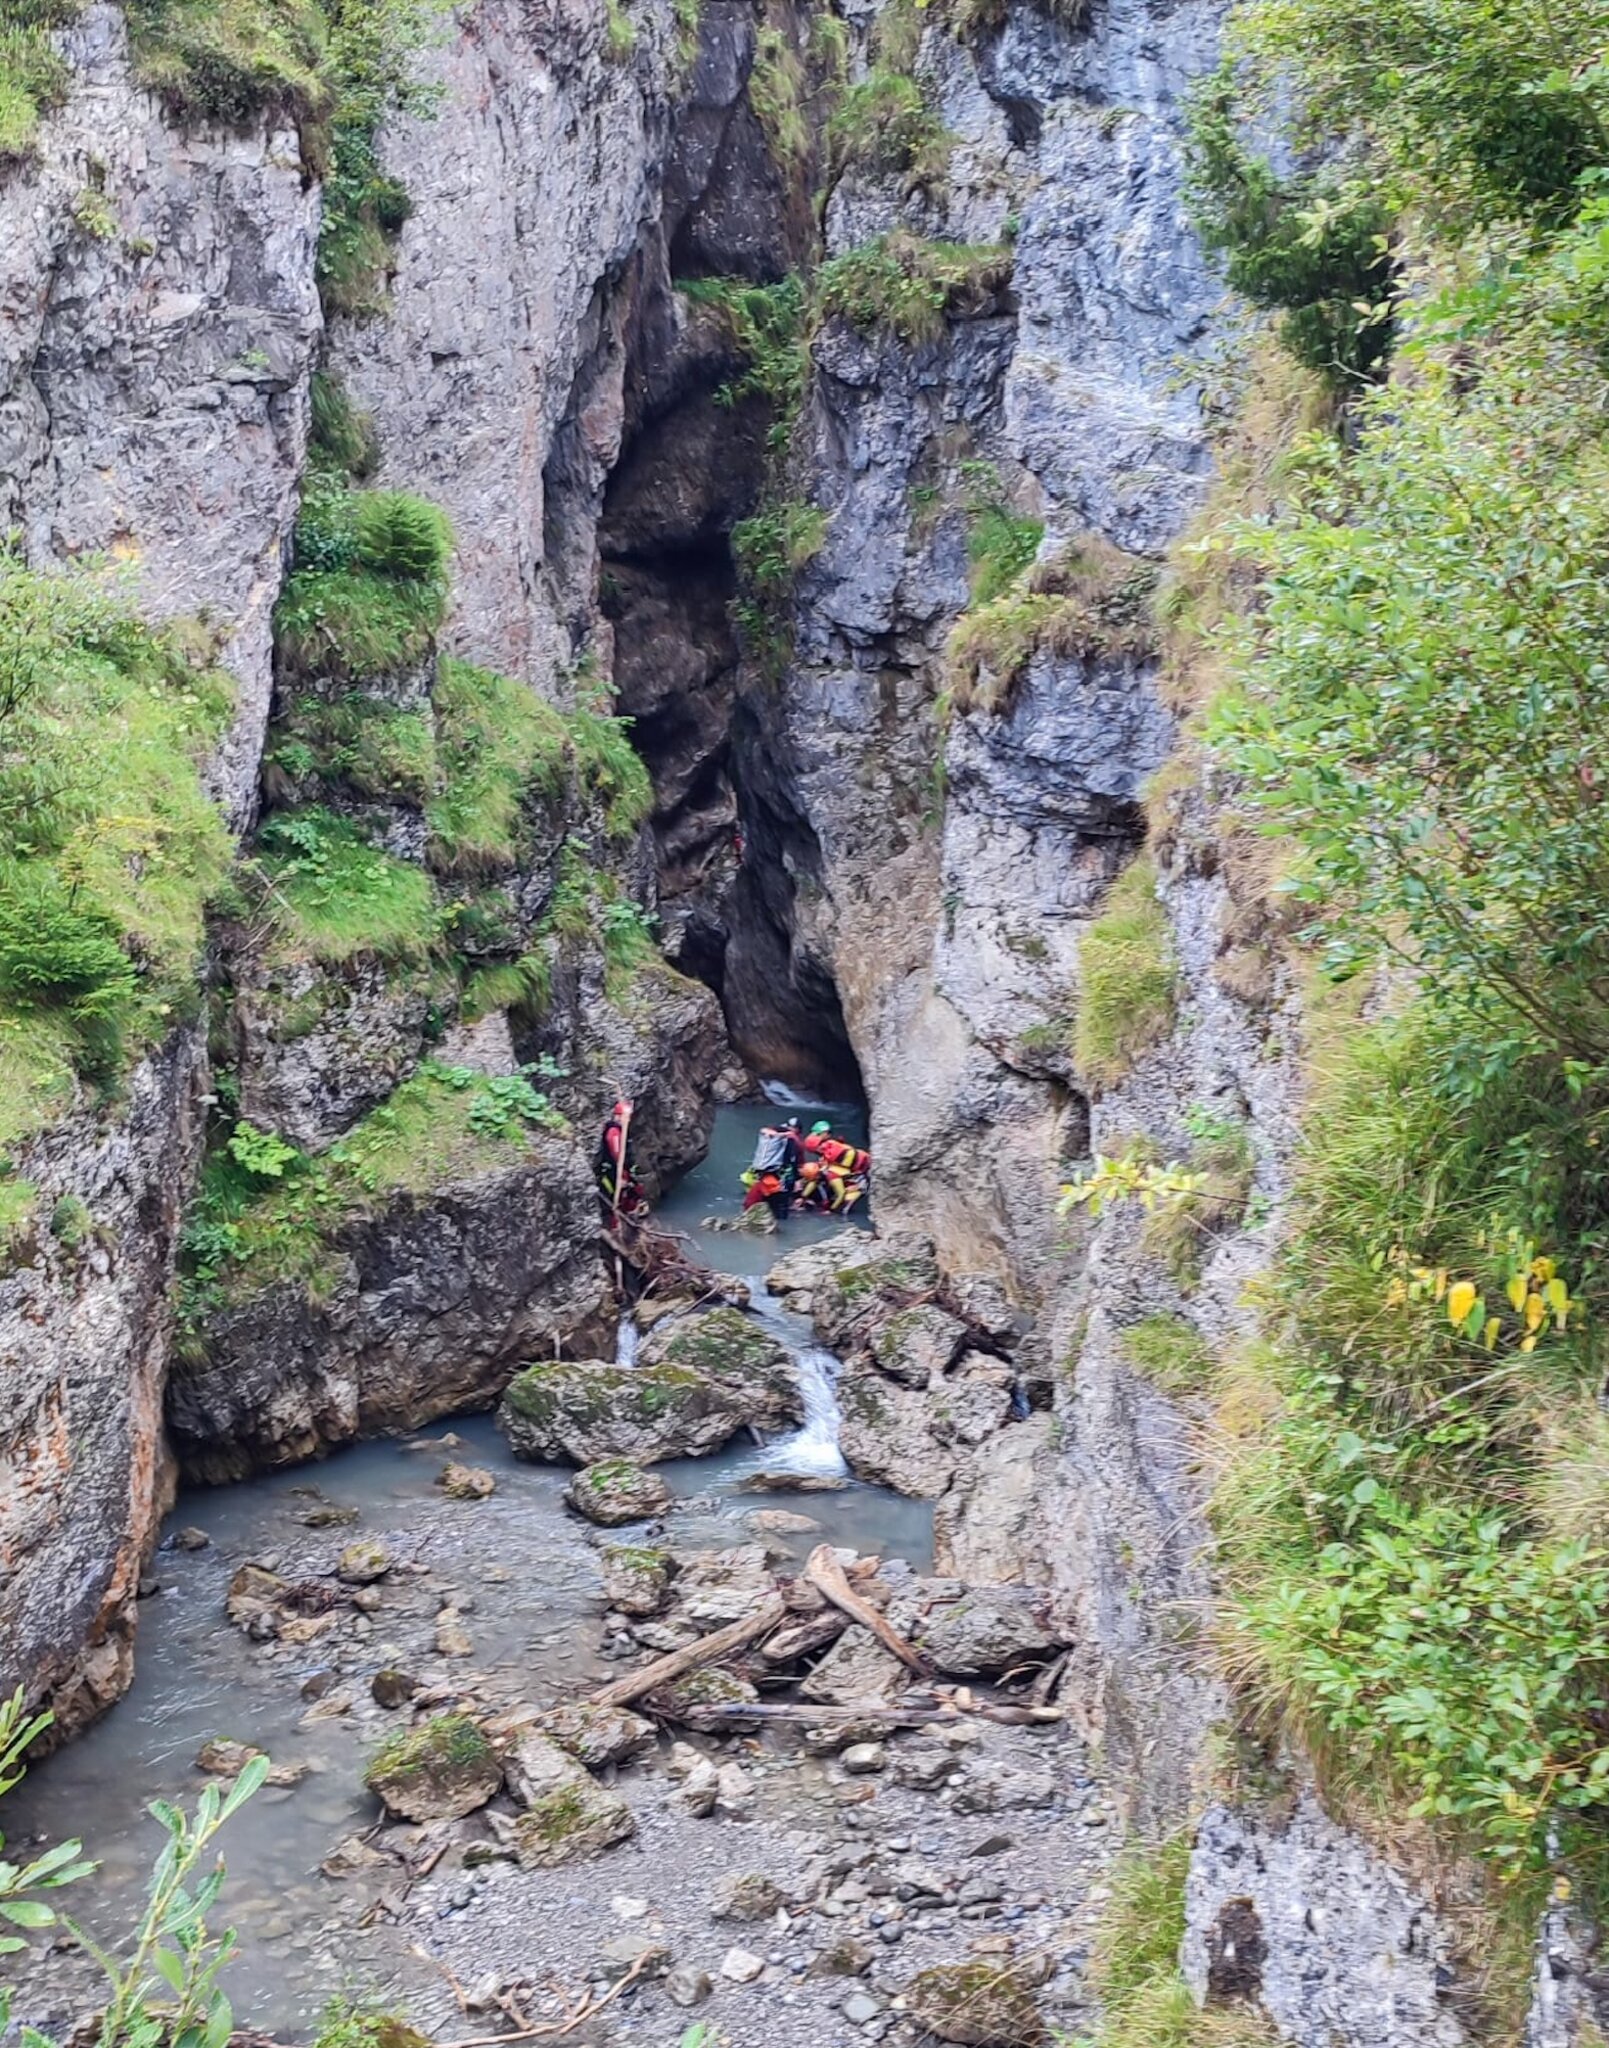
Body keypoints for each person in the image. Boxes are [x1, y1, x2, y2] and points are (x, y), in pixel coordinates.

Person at [596, 1097, 647, 1220]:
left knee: (634, 1191)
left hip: (621, 1169)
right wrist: (623, 1176)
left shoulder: (620, 1131)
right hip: (613, 1172)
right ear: (619, 1116)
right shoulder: (614, 1132)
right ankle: (617, 1222)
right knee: (620, 1196)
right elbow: (617, 1154)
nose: (628, 1119)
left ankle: (629, 1216)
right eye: (626, 1116)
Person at [804, 1120, 871, 1179]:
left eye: (818, 1134)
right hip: (859, 1160)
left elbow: (840, 1162)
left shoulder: (830, 1147)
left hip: (860, 1165)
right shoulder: (831, 1143)